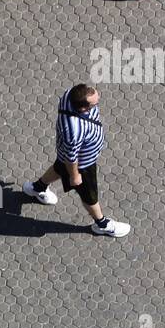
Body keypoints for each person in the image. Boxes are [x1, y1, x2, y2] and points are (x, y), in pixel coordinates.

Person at [21, 85, 131, 237]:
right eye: (94, 103)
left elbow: (65, 159)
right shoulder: (73, 131)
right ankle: (102, 224)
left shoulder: (69, 95)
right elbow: (71, 158)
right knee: (89, 195)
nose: (98, 100)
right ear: (83, 109)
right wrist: (75, 176)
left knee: (59, 167)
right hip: (82, 165)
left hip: (65, 154)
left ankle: (37, 188)